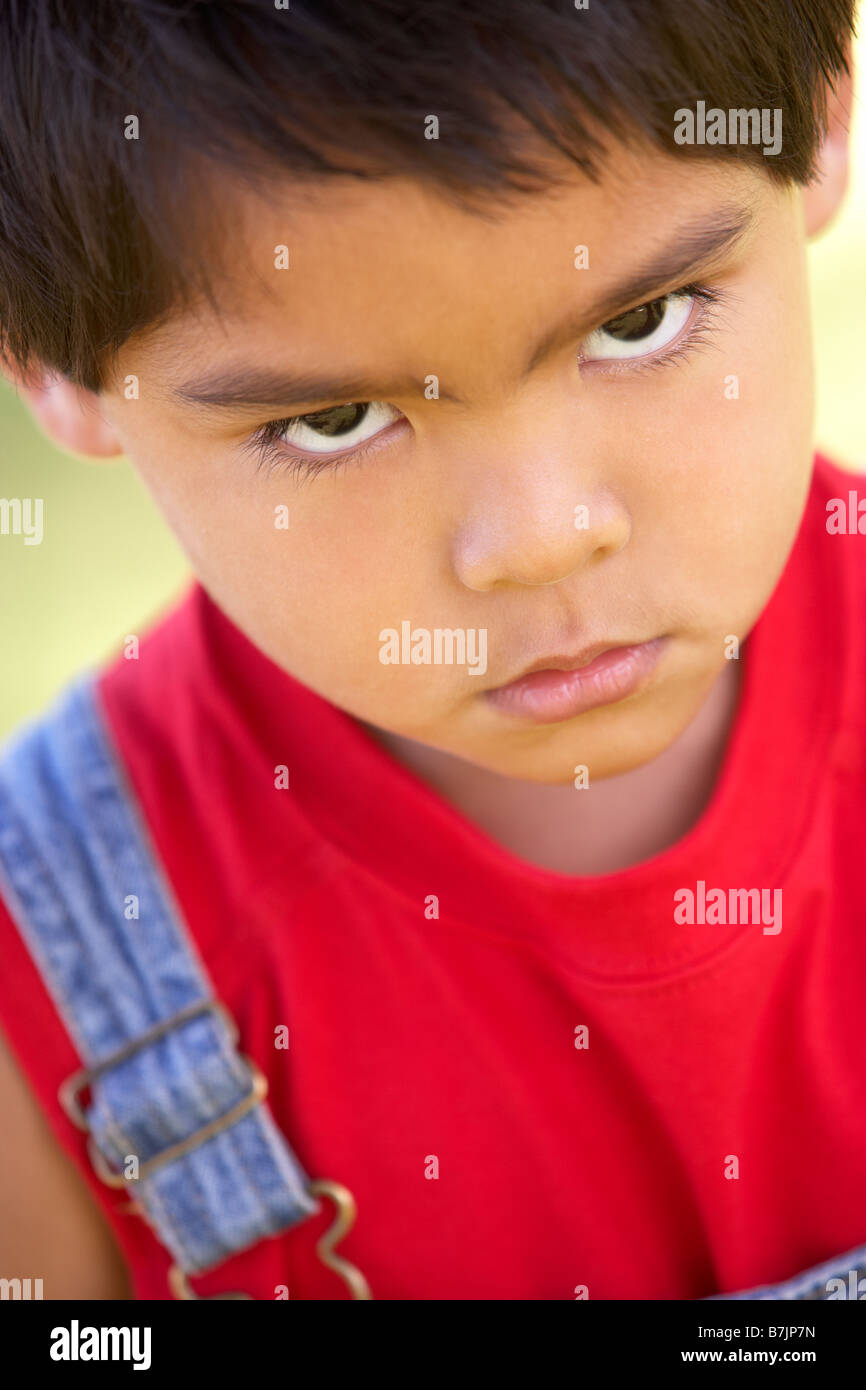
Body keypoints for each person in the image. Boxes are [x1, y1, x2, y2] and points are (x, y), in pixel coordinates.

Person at [0, 0, 863, 1301]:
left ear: (820, 118)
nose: (538, 542)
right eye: (336, 418)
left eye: (638, 323)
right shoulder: (50, 997)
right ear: (49, 365)